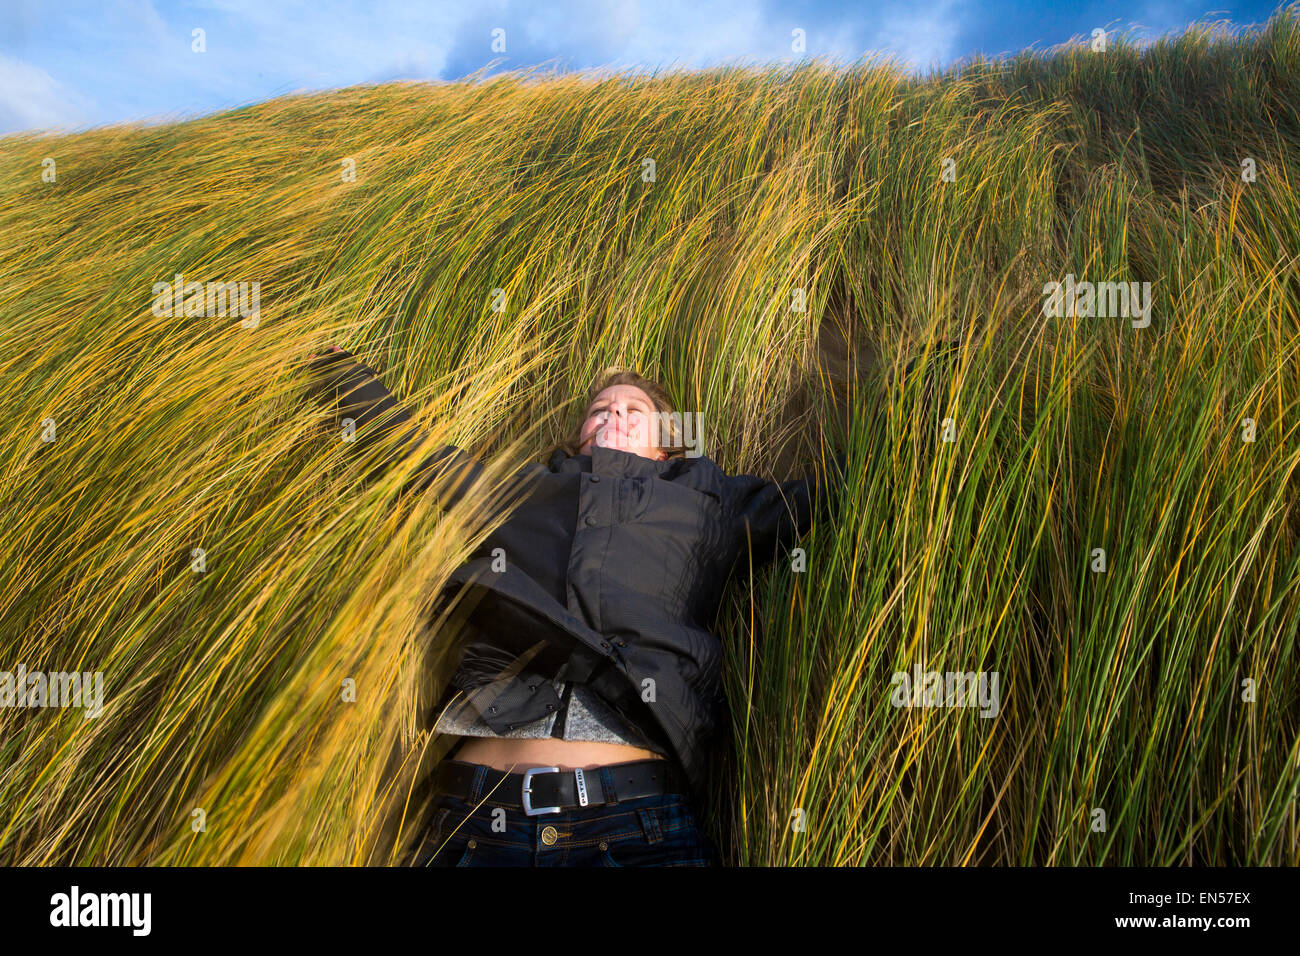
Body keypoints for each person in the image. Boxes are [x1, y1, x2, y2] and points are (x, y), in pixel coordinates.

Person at [300, 345, 848, 866]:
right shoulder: (520, 491)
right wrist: (343, 375)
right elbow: (424, 458)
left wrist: (912, 399)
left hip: (633, 823)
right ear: (580, 436)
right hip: (474, 823)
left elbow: (822, 495)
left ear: (668, 442)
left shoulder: (711, 502)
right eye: (600, 409)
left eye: (636, 409)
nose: (615, 413)